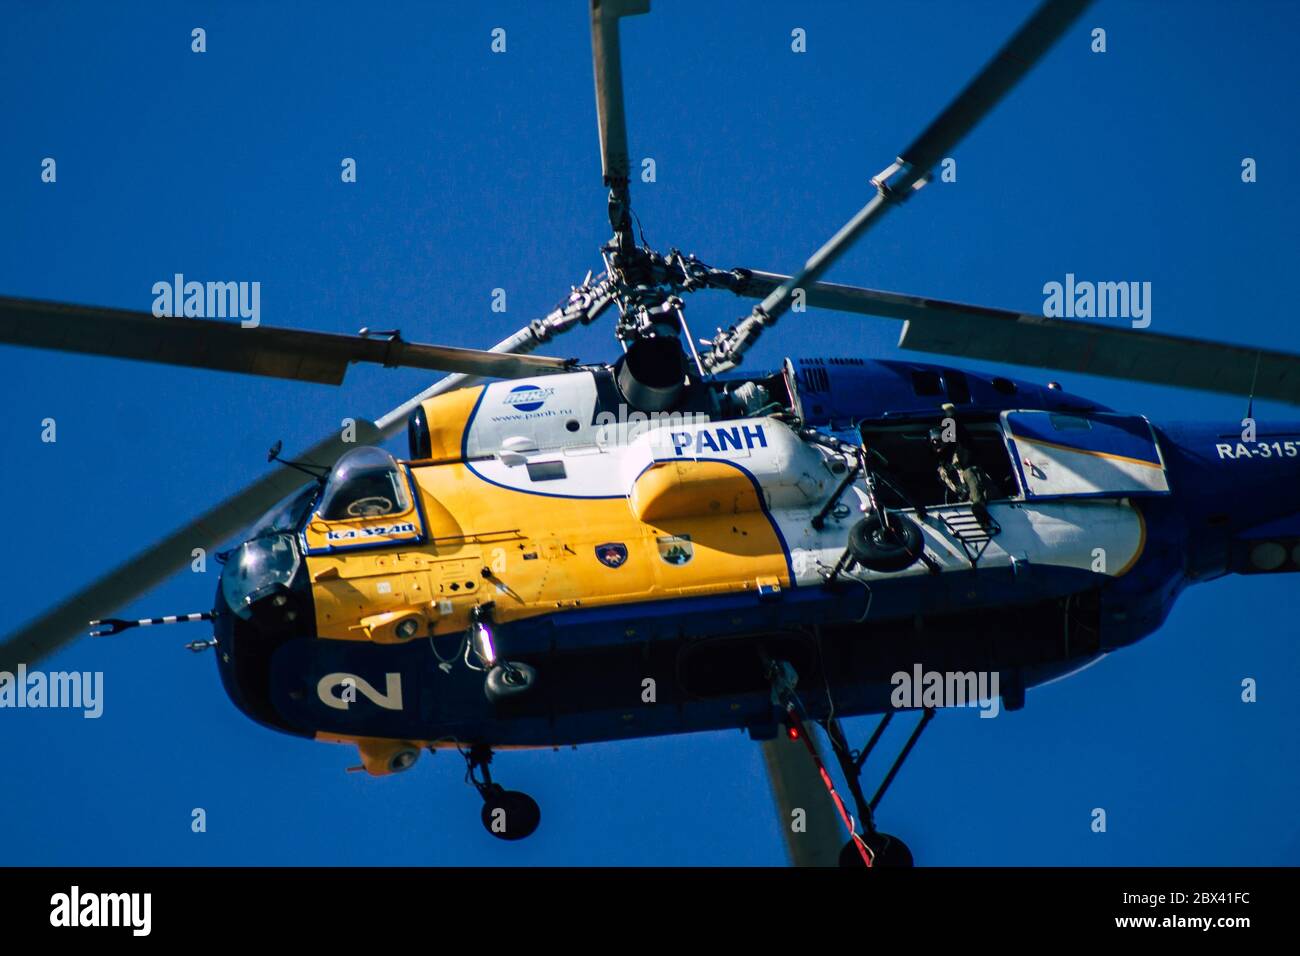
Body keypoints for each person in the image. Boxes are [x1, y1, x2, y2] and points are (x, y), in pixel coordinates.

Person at [930, 405, 993, 530]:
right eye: (933, 441)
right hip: (965, 499)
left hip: (986, 493)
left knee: (970, 471)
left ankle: (979, 507)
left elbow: (961, 433)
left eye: (938, 438)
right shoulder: (941, 468)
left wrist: (949, 413)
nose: (936, 443)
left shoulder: (962, 452)